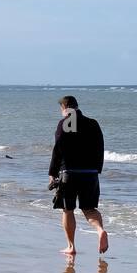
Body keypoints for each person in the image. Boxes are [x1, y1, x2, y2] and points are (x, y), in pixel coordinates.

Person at [48, 94, 108, 256]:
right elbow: (100, 147)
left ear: (63, 108)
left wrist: (52, 173)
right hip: (90, 174)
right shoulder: (93, 123)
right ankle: (100, 230)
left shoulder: (66, 123)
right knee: (89, 208)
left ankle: (71, 246)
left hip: (70, 173)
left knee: (68, 210)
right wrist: (96, 170)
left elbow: (58, 149)